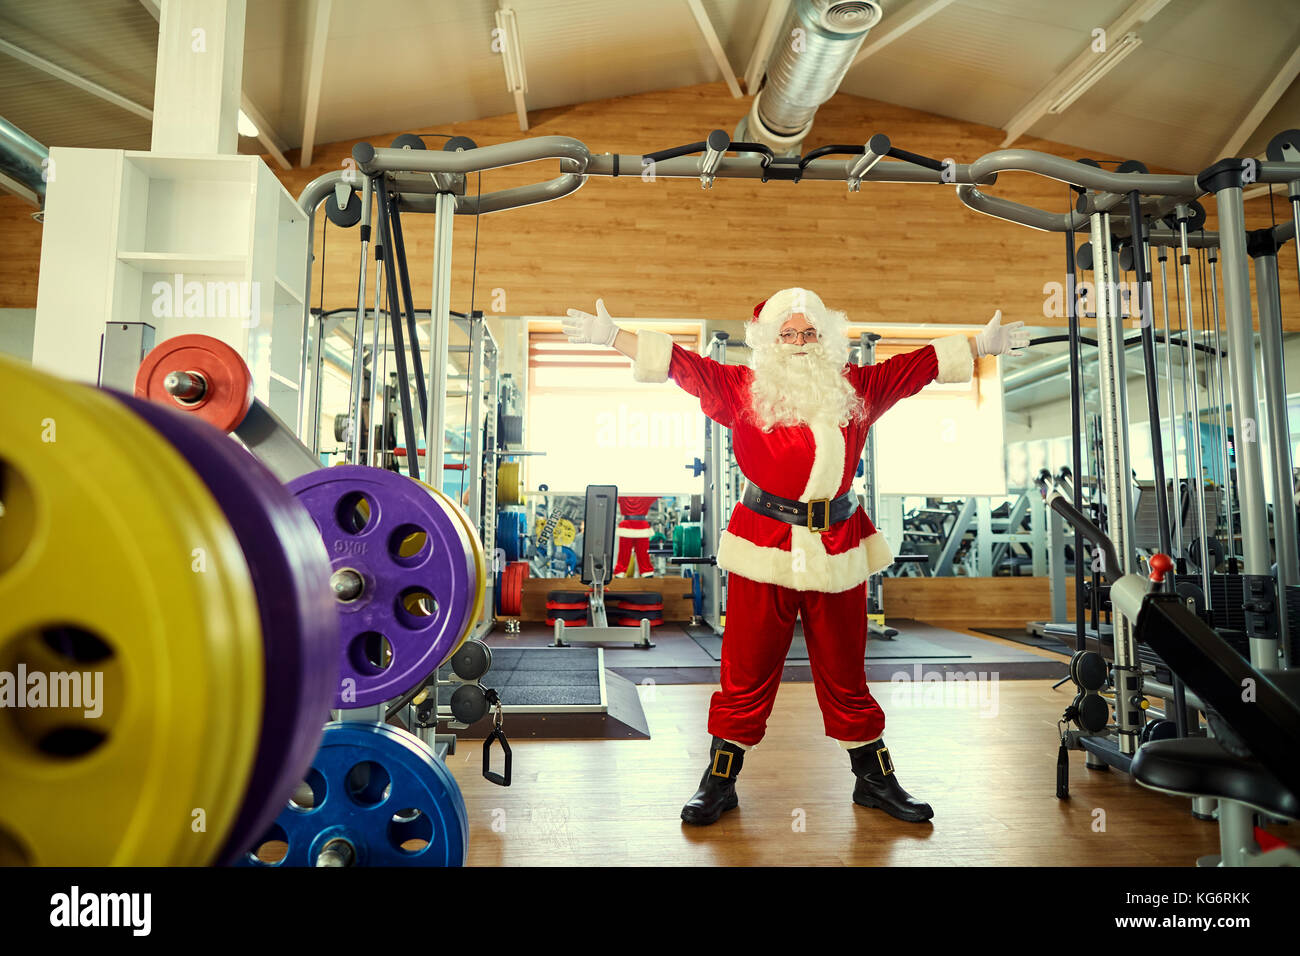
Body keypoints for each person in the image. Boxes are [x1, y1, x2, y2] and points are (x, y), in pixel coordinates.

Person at [562, 288, 1028, 825]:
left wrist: (979, 345)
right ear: (770, 341)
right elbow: (681, 364)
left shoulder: (856, 388)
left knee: (846, 671)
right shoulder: (742, 388)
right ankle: (719, 782)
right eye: (788, 333)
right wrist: (613, 336)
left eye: (809, 333)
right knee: (746, 668)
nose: (800, 343)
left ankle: (874, 781)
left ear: (825, 338)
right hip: (765, 544)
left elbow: (915, 367)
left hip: (838, 546)